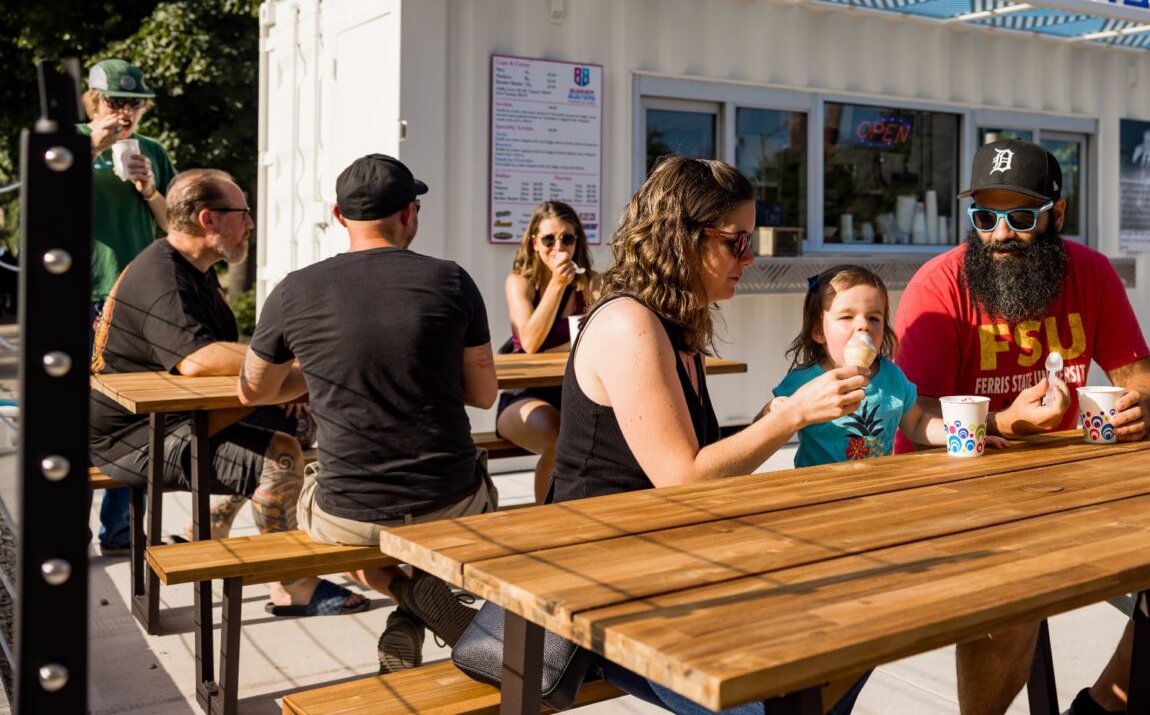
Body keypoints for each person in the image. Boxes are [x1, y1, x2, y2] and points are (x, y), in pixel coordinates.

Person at [893, 139, 1150, 715]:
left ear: (1057, 215)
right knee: (1012, 599)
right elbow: (913, 419)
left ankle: (1100, 708)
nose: (1000, 234)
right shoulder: (939, 285)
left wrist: (1139, 411)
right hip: (962, 496)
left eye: (1021, 216)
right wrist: (1006, 422)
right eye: (984, 216)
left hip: (1077, 491)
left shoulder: (1092, 274)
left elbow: (1148, 385)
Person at [551, 156, 870, 715]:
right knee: (782, 693)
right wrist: (789, 418)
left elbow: (695, 463)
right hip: (600, 586)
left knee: (868, 612)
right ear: (680, 237)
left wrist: (770, 419)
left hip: (670, 564)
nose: (749, 257)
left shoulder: (677, 323)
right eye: (736, 241)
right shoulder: (629, 324)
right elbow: (682, 478)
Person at [239, 153, 499, 673]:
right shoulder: (452, 281)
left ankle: (406, 596)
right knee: (445, 512)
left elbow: (253, 390)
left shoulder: (294, 290)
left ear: (339, 216)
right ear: (409, 213)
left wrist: (324, 370)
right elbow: (484, 394)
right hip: (452, 499)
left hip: (351, 513)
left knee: (339, 518)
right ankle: (418, 600)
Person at [89, 169, 365, 615]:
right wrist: (303, 362)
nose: (251, 224)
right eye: (244, 213)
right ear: (208, 220)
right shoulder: (164, 277)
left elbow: (219, 361)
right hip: (134, 436)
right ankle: (291, 585)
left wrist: (285, 382)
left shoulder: (193, 270)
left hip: (180, 416)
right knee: (280, 458)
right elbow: (198, 360)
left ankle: (209, 524)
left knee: (299, 422)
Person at [770, 264, 1007, 465]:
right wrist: (774, 412)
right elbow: (765, 433)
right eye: (847, 317)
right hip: (817, 493)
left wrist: (966, 436)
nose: (863, 326)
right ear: (818, 330)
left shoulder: (892, 378)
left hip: (878, 488)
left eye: (874, 317)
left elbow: (917, 423)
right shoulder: (804, 383)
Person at [80, 58, 175, 556]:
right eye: (117, 101)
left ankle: (119, 530)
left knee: (132, 414)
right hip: (83, 292)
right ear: (94, 99)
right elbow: (45, 202)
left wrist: (149, 190)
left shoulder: (151, 150)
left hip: (134, 296)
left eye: (136, 103)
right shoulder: (66, 140)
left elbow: (173, 225)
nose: (127, 112)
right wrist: (93, 145)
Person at [494, 201, 599, 502]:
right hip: (524, 394)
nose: (559, 247)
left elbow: (601, 335)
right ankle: (544, 521)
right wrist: (556, 285)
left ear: (577, 242)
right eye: (549, 240)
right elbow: (529, 342)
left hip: (577, 390)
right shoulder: (521, 282)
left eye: (567, 238)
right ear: (534, 243)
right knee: (559, 439)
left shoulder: (591, 283)